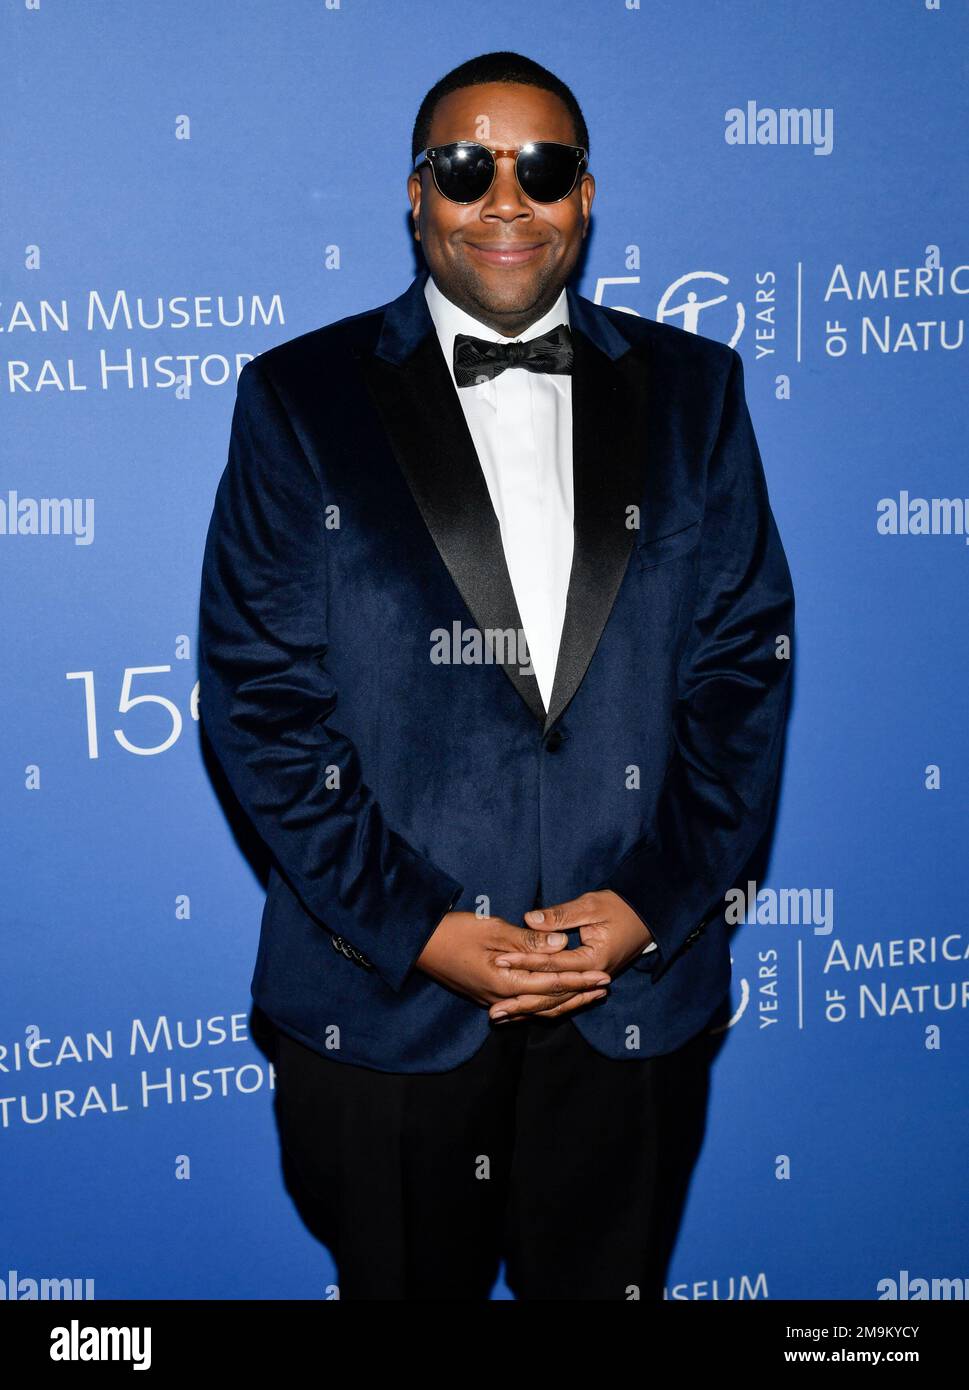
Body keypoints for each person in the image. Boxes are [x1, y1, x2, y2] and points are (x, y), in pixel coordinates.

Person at [197, 50, 795, 1300]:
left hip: (632, 1005)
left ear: (587, 197)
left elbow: (742, 676)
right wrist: (424, 930)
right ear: (416, 196)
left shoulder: (698, 392)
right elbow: (260, 699)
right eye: (468, 168)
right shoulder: (299, 401)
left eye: (545, 168)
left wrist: (643, 906)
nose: (506, 200)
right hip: (387, 1014)